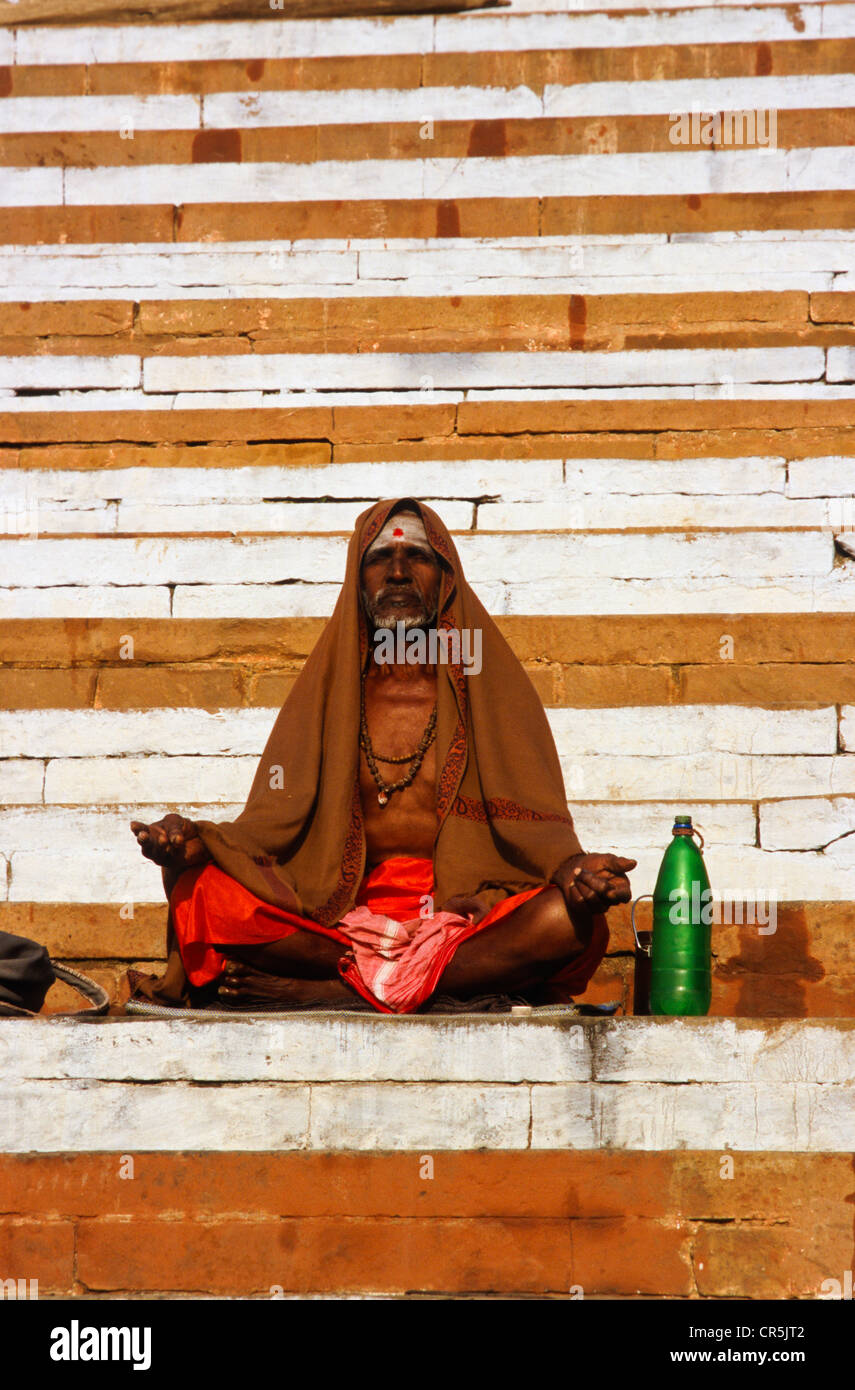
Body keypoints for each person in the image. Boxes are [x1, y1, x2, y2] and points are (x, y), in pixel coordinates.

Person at [129, 499, 636, 1013]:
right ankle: (406, 984)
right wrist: (192, 844)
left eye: (416, 556)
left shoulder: (491, 690)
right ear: (359, 579)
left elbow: (537, 826)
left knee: (569, 921)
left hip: (462, 920)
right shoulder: (328, 694)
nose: (397, 572)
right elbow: (268, 827)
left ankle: (332, 992)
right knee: (204, 892)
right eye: (379, 559)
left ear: (445, 579)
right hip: (339, 921)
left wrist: (575, 871)